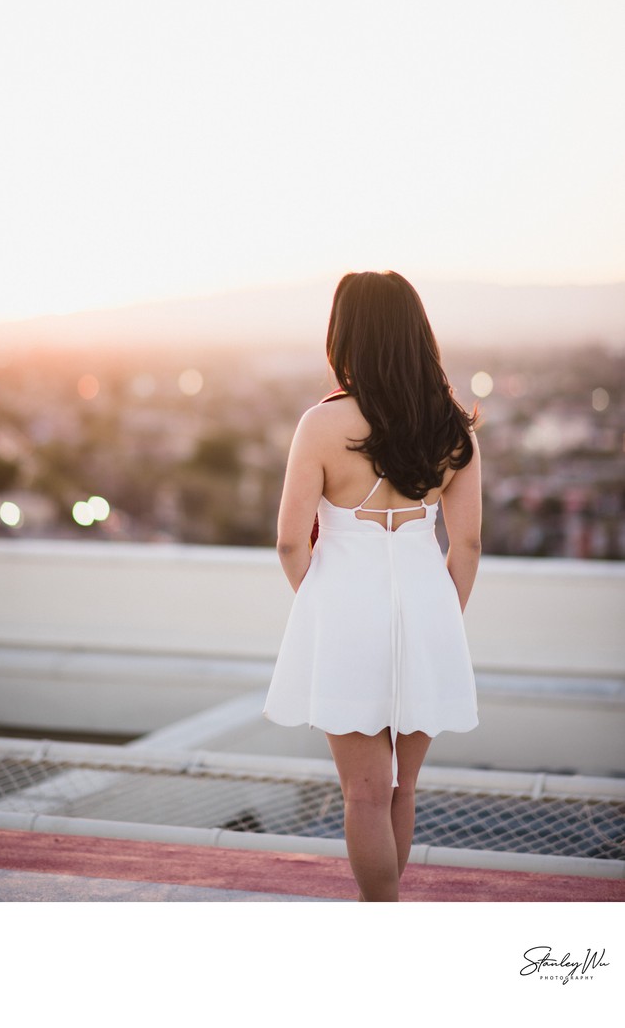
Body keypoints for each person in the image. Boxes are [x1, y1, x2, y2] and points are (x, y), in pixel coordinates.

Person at [263, 271, 481, 902]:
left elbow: (287, 541)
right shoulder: (453, 428)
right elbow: (464, 545)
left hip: (346, 611)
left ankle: (377, 915)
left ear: (345, 335)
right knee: (401, 789)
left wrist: (320, 601)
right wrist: (441, 618)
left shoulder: (322, 424)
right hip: (427, 606)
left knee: (361, 792)